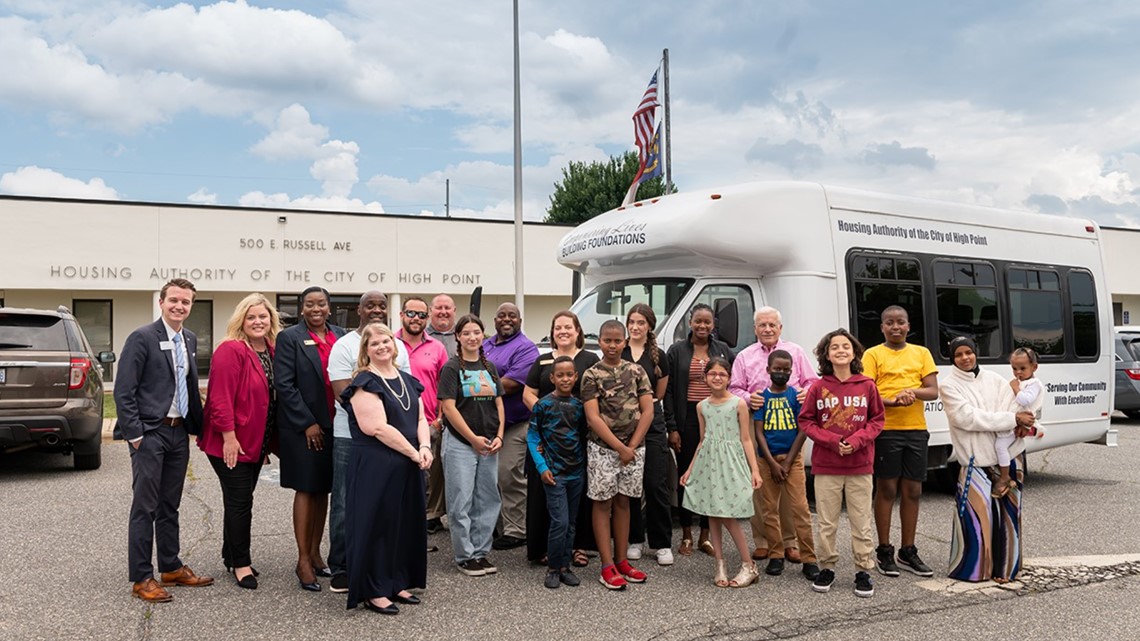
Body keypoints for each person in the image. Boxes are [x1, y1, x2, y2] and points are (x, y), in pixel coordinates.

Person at [114, 278, 213, 602]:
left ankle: (170, 567)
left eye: (185, 302)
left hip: (178, 432)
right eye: (174, 300)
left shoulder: (189, 338)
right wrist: (136, 434)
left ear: (190, 306)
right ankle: (142, 577)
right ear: (162, 302)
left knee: (170, 504)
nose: (179, 306)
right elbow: (124, 390)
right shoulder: (142, 338)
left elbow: (188, 385)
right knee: (145, 506)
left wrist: (197, 426)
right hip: (151, 432)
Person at [342, 322, 431, 615]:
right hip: (377, 463)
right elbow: (376, 427)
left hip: (408, 461)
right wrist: (413, 453)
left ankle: (396, 581)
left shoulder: (407, 379)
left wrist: (425, 448)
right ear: (366, 351)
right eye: (374, 343)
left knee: (404, 523)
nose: (382, 346)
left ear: (394, 345)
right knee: (377, 524)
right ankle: (374, 589)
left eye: (386, 341)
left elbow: (420, 420)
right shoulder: (364, 381)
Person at [326, 291, 409, 593]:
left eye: (381, 306)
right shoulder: (343, 346)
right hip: (352, 438)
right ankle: (342, 566)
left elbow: (405, 392)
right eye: (370, 306)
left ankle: (378, 566)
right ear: (358, 310)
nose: (376, 310)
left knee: (384, 504)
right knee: (346, 503)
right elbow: (343, 393)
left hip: (390, 437)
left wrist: (389, 428)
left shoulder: (396, 345)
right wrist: (373, 423)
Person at [197, 293, 281, 590]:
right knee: (240, 501)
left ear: (271, 319)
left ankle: (230, 554)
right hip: (229, 441)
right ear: (241, 321)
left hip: (255, 442)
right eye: (251, 317)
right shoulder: (231, 350)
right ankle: (241, 563)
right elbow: (219, 399)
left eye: (263, 316)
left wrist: (265, 444)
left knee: (239, 500)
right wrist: (229, 439)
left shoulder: (271, 350)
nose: (258, 322)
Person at [941, 336, 1035, 583]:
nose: (965, 358)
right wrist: (1010, 420)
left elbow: (1017, 409)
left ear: (975, 352)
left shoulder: (995, 379)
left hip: (1011, 454)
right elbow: (967, 418)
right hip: (975, 461)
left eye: (969, 352)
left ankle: (1007, 569)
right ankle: (973, 570)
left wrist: (1012, 419)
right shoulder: (949, 386)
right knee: (976, 519)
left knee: (1009, 517)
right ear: (952, 358)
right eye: (959, 354)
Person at [728, 306, 818, 564]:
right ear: (755, 328)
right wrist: (749, 397)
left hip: (789, 428)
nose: (767, 329)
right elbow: (734, 388)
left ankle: (790, 543)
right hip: (757, 426)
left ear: (780, 328)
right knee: (761, 488)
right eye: (762, 325)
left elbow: (812, 382)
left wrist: (804, 393)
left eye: (772, 325)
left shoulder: (796, 352)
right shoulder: (745, 356)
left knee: (790, 489)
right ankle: (764, 542)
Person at [800, 328, 884, 598]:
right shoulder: (818, 387)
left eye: (845, 346)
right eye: (834, 347)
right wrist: (832, 441)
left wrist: (857, 440)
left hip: (860, 466)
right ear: (826, 354)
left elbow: (877, 420)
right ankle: (827, 567)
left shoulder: (867, 385)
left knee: (861, 521)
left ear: (854, 352)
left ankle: (863, 569)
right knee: (827, 523)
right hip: (827, 466)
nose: (840, 351)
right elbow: (807, 421)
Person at [274, 286, 346, 592]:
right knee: (306, 488)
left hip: (337, 425)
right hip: (303, 428)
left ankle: (317, 554)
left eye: (321, 304)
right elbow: (285, 385)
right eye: (309, 304)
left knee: (323, 491)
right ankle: (303, 560)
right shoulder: (289, 338)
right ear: (302, 308)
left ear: (329, 307)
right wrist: (307, 424)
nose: (316, 309)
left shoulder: (341, 335)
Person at [862, 305, 938, 579]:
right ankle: (884, 550)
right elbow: (867, 393)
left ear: (908, 326)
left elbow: (932, 391)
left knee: (913, 491)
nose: (896, 327)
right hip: (886, 430)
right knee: (886, 490)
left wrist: (912, 393)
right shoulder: (873, 354)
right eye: (890, 323)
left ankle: (908, 550)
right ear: (882, 327)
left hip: (916, 430)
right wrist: (892, 400)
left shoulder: (922, 353)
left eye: (901, 322)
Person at [522, 311, 599, 568]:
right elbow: (527, 394)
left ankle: (579, 546)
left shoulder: (590, 359)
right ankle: (544, 547)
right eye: (558, 328)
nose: (563, 331)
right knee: (544, 490)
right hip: (547, 435)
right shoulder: (542, 360)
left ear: (578, 330)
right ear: (552, 333)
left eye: (568, 327)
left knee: (579, 492)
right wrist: (548, 417)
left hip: (580, 436)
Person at [581, 320, 654, 590]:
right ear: (599, 342)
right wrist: (620, 448)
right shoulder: (591, 375)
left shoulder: (636, 371)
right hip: (603, 449)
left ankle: (623, 561)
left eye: (617, 341)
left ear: (625, 342)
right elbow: (592, 416)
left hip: (634, 449)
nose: (612, 346)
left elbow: (647, 411)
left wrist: (631, 446)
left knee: (624, 503)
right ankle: (607, 564)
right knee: (603, 503)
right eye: (607, 341)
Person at [679, 357, 763, 588]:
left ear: (729, 377)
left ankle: (748, 564)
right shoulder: (701, 406)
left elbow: (746, 439)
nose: (717, 378)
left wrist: (754, 470)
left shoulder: (738, 404)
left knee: (727, 513)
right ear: (705, 377)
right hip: (709, 461)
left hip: (731, 461)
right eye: (712, 374)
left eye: (722, 374)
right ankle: (720, 563)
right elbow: (703, 439)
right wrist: (690, 468)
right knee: (712, 512)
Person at [664, 303, 735, 557]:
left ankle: (707, 536)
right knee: (687, 476)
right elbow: (669, 391)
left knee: (713, 476)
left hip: (717, 418)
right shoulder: (677, 351)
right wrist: (672, 426)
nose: (702, 326)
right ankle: (686, 535)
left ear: (713, 324)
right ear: (690, 322)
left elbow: (733, 384)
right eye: (698, 321)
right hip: (687, 420)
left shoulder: (723, 350)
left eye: (707, 322)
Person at [439, 314, 505, 576]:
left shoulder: (489, 368)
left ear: (483, 335)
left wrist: (499, 434)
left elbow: (499, 402)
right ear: (458, 337)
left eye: (476, 332)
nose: (472, 337)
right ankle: (465, 555)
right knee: (461, 500)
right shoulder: (452, 368)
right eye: (466, 333)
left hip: (490, 443)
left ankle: (480, 552)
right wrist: (471, 439)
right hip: (461, 444)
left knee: (488, 499)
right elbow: (448, 407)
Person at [753, 349, 819, 581]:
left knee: (800, 509)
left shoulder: (796, 396)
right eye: (777, 369)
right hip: (767, 460)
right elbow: (758, 432)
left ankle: (809, 558)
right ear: (768, 370)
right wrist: (771, 463)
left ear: (792, 372)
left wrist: (789, 461)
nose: (781, 373)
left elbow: (803, 429)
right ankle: (776, 554)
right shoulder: (762, 397)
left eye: (785, 370)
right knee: (770, 510)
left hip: (793, 459)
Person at [483, 302, 540, 550]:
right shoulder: (485, 345)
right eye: (502, 316)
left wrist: (472, 388)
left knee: (509, 474)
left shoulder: (526, 349)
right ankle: (496, 526)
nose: (507, 320)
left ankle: (517, 530)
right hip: (486, 423)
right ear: (495, 320)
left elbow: (510, 384)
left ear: (520, 320)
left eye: (512, 316)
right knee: (488, 477)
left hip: (516, 423)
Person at [621, 304, 674, 566]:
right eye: (632, 322)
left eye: (641, 322)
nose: (635, 327)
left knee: (655, 484)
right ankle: (635, 540)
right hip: (624, 427)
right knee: (631, 486)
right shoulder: (619, 351)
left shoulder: (658, 356)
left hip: (652, 425)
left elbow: (660, 394)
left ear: (649, 326)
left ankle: (662, 543)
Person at [527, 356, 587, 589]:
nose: (564, 379)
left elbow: (583, 437)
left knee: (571, 522)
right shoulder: (542, 405)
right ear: (552, 378)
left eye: (568, 374)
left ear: (575, 377)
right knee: (559, 522)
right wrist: (542, 467)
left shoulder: (579, 406)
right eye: (559, 375)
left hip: (576, 473)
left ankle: (564, 567)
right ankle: (552, 568)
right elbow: (533, 437)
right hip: (554, 474)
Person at [395, 296, 450, 534]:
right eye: (411, 313)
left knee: (428, 476)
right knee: (401, 476)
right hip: (396, 423)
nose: (415, 319)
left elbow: (445, 388)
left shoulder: (437, 348)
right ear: (401, 315)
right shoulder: (390, 343)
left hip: (429, 422)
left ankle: (426, 521)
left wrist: (439, 420)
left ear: (427, 318)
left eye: (421, 315)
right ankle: (401, 524)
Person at [999, 347, 1044, 497]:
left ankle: (1005, 477)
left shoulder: (1034, 384)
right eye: (1014, 368)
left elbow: (1025, 400)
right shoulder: (1021, 382)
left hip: (1018, 424)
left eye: (1023, 368)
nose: (1018, 372)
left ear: (1034, 367)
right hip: (1011, 421)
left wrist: (1015, 388)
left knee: (1001, 446)